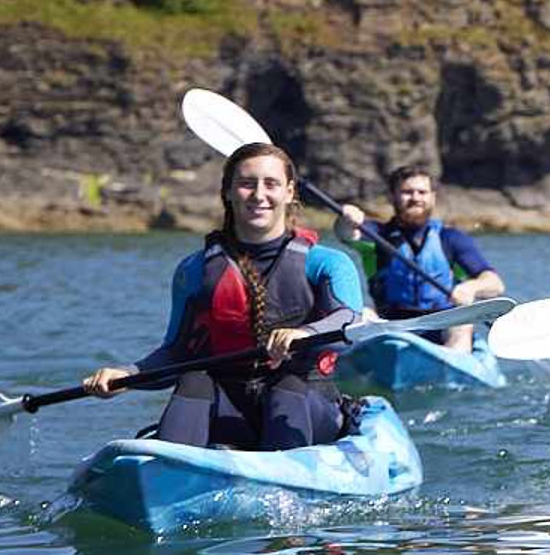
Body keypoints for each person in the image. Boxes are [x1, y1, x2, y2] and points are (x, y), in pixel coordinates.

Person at [83, 143, 364, 449]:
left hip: (306, 406)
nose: (259, 194)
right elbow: (176, 354)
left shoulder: (327, 263)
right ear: (228, 192)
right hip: (230, 411)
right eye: (247, 183)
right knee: (194, 379)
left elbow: (350, 322)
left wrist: (305, 333)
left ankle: (282, 471)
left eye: (271, 184)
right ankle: (170, 466)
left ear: (289, 192)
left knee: (287, 386)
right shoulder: (194, 270)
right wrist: (126, 375)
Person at [335, 165, 504, 354]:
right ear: (392, 197)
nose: (415, 198)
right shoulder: (376, 235)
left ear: (433, 197)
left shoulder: (451, 239)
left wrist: (471, 287)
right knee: (364, 313)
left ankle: (451, 361)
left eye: (422, 192)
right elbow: (346, 234)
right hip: (390, 327)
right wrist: (346, 219)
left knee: (463, 323)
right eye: (407, 192)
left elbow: (495, 284)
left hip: (443, 327)